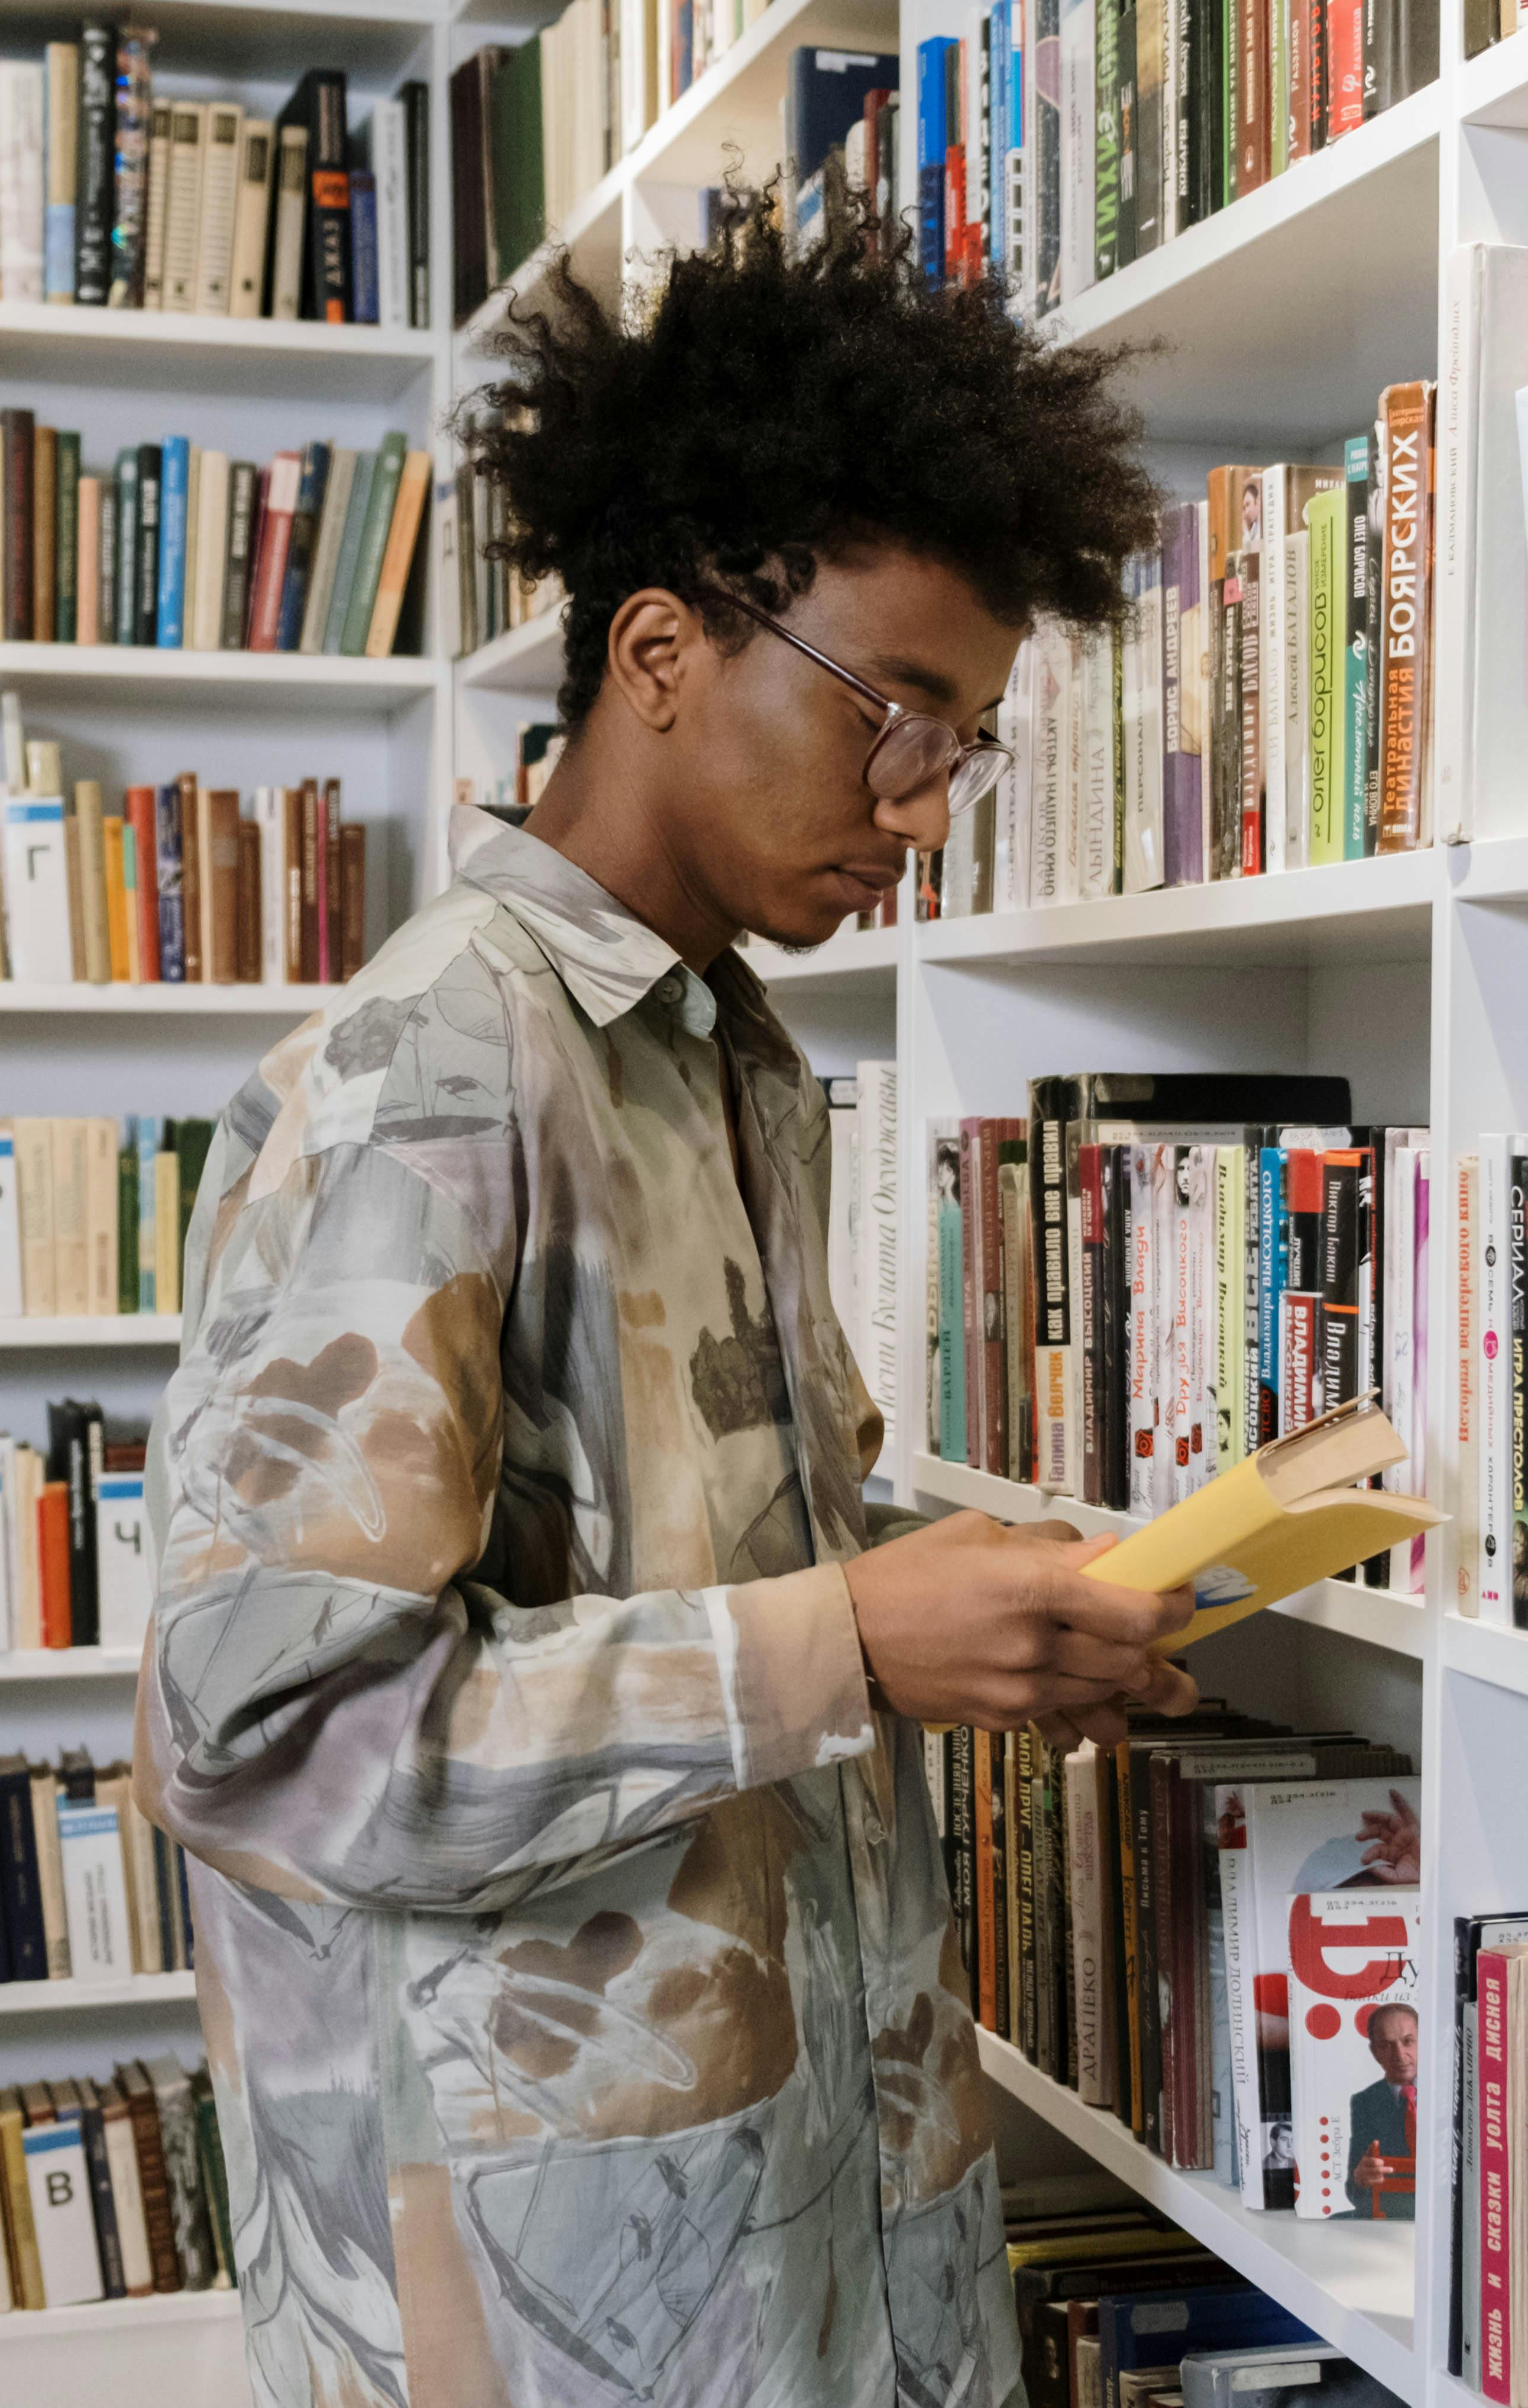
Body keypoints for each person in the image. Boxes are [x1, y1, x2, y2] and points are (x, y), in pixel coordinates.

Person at [138, 189, 1179, 2408]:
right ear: (659, 654)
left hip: (814, 2221)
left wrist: (964, 1598)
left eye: (963, 743)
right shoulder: (435, 1063)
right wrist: (853, 1640)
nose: (925, 803)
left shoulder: (728, 1056)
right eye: (894, 714)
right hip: (553, 2292)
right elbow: (277, 1734)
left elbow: (694, 1562)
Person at [1346, 2001, 1417, 2220]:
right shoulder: (1364, 2102)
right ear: (1375, 2052)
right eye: (1387, 2045)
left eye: (1408, 2042)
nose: (1399, 2054)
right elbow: (1354, 2192)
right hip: (1391, 2217)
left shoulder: (1452, 2090)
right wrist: (1360, 2177)